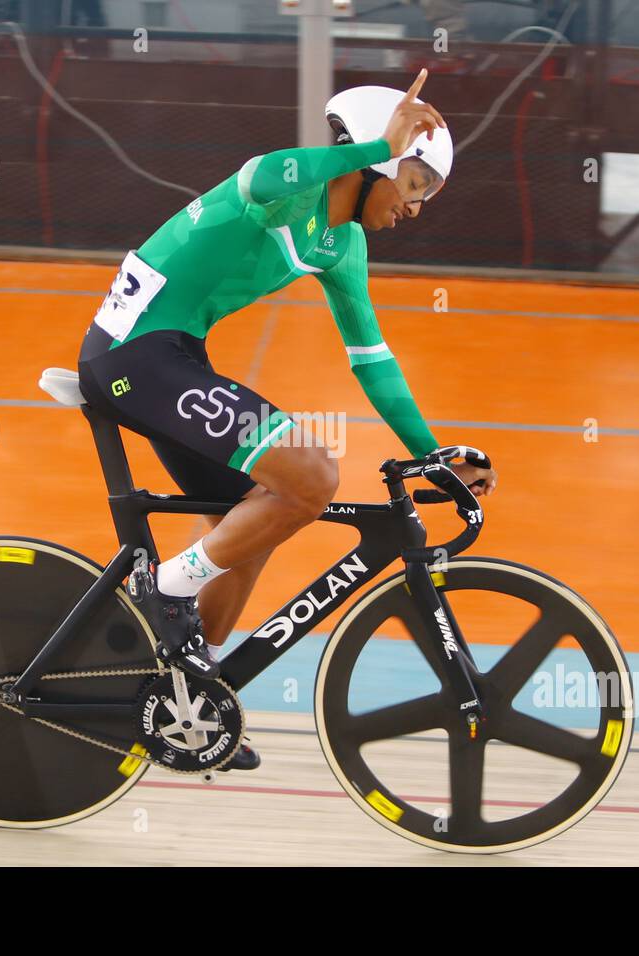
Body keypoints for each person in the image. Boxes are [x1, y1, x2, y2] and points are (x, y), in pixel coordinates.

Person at [76, 71, 497, 770]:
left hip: (175, 355)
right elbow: (262, 173)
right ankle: (170, 582)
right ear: (377, 159)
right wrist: (375, 149)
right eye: (416, 183)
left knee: (257, 519)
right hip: (131, 355)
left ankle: (189, 697)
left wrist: (433, 453)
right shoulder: (287, 190)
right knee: (311, 473)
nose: (416, 208)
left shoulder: (345, 246)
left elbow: (373, 362)